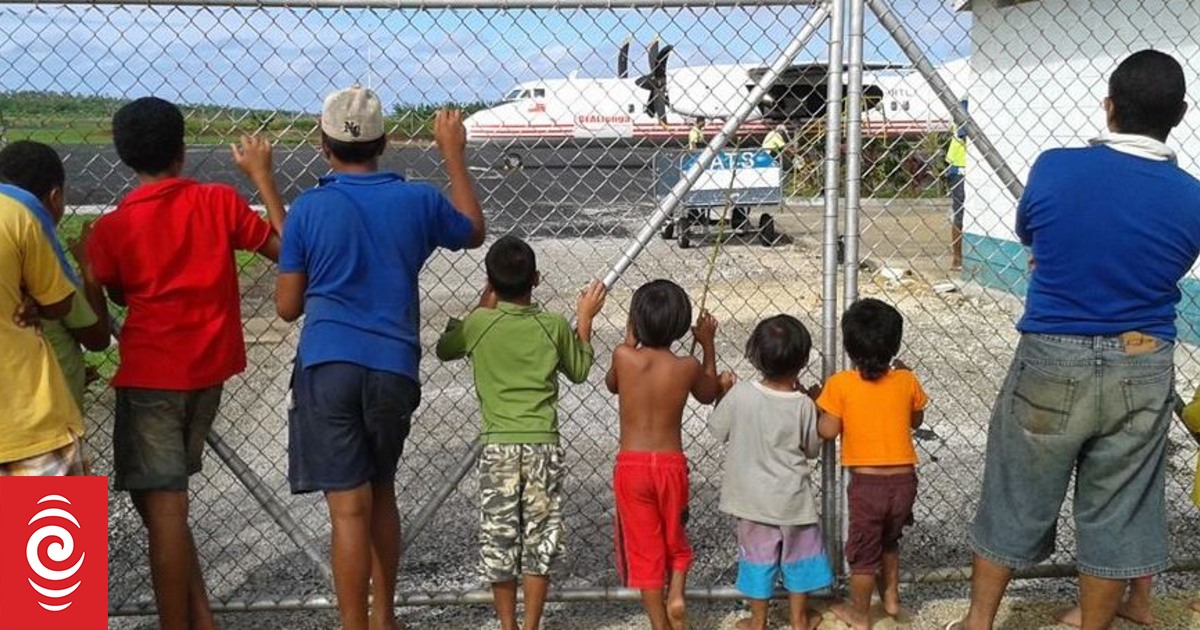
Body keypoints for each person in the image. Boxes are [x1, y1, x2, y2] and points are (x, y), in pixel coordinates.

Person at [953, 50, 1200, 630]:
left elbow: (1032, 231)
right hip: (1144, 358)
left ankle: (978, 622)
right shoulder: (1192, 196)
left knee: (1015, 487)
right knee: (1120, 505)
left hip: (1052, 351)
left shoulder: (1056, 166)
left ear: (1109, 107)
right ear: (1181, 114)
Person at [276, 84, 485, 630]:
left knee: (348, 510)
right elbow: (472, 229)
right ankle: (384, 616)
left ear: (323, 145)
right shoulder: (416, 200)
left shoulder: (310, 208)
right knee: (383, 488)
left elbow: (286, 307)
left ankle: (353, 624)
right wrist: (452, 154)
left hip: (329, 363)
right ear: (384, 142)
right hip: (393, 366)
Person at [85, 96, 286, 630]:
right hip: (207, 371)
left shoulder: (113, 228)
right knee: (164, 511)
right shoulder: (218, 202)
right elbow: (288, 252)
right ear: (181, 150)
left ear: (125, 156)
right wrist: (263, 179)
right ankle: (200, 618)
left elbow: (109, 300)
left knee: (164, 510)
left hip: (152, 374)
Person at [435, 235, 606, 630]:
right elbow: (579, 372)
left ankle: (508, 625)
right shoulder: (552, 326)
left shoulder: (479, 323)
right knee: (540, 536)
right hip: (543, 445)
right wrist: (585, 319)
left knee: (500, 536)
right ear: (537, 279)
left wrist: (482, 304)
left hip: (498, 449)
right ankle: (531, 626)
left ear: (490, 282)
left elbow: (446, 348)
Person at [605, 279, 721, 630]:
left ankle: (660, 624)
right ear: (680, 324)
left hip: (632, 467)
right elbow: (709, 392)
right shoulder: (686, 366)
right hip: (671, 465)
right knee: (675, 536)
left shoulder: (624, 357)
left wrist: (629, 338)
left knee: (644, 549)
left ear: (635, 321)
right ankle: (678, 594)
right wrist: (708, 347)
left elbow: (612, 384)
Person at [708, 314, 832, 630]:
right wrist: (815, 404)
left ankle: (759, 621)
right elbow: (812, 448)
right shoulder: (803, 404)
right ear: (803, 361)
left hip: (752, 503)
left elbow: (717, 427)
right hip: (792, 502)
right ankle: (799, 619)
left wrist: (723, 391)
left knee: (757, 561)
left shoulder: (741, 394)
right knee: (799, 561)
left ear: (755, 354)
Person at [816, 298, 929, 630]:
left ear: (849, 348)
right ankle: (891, 600)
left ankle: (860, 614)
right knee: (889, 541)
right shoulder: (906, 380)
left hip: (868, 487)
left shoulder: (840, 384)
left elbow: (827, 430)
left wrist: (817, 404)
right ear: (895, 344)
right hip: (905, 482)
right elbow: (916, 420)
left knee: (863, 556)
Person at [1, 140, 111, 412]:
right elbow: (97, 337)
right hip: (50, 412)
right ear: (55, 196)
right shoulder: (45, 253)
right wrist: (88, 267)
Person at [0, 162, 82, 476]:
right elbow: (60, 301)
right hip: (28, 421)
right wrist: (33, 297)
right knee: (54, 525)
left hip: (28, 425)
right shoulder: (17, 208)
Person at [945, 99, 968, 271]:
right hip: (961, 166)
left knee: (961, 214)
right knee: (960, 215)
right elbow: (964, 133)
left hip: (965, 165)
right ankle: (957, 259)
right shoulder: (966, 105)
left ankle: (959, 258)